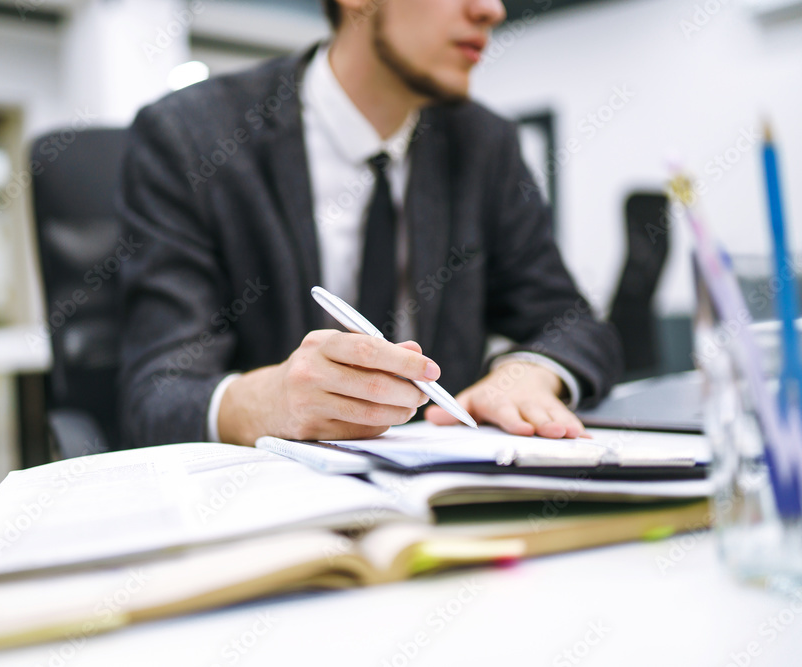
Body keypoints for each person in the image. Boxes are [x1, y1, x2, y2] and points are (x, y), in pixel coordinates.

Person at [117, 0, 622, 449]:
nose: (492, 9)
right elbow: (156, 392)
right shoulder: (191, 136)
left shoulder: (485, 145)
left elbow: (571, 322)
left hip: (446, 487)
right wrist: (266, 402)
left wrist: (531, 372)